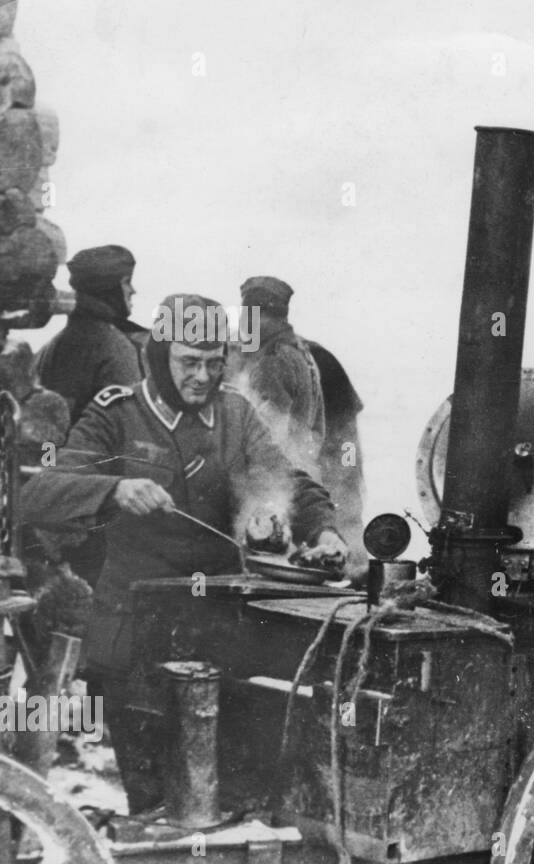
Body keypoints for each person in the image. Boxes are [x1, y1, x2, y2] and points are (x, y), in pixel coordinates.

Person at [21, 293, 347, 813]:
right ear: (158, 357)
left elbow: (287, 479)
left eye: (215, 363)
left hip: (219, 631)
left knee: (233, 792)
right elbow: (39, 493)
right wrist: (113, 489)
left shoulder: (235, 416)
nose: (202, 376)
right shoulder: (117, 414)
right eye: (189, 362)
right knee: (157, 801)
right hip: (135, 638)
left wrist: (324, 531)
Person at [35, 244, 148, 424]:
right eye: (126, 282)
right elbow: (128, 427)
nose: (132, 290)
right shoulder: (117, 347)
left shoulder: (49, 348)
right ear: (109, 289)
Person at [227, 276, 327, 476]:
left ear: (261, 316)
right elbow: (318, 430)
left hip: (276, 479)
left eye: (247, 314)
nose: (242, 322)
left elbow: (267, 436)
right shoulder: (300, 352)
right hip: (301, 471)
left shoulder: (272, 361)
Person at [301, 336, 366, 571]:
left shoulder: (322, 361)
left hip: (338, 447)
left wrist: (345, 468)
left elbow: (346, 441)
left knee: (344, 498)